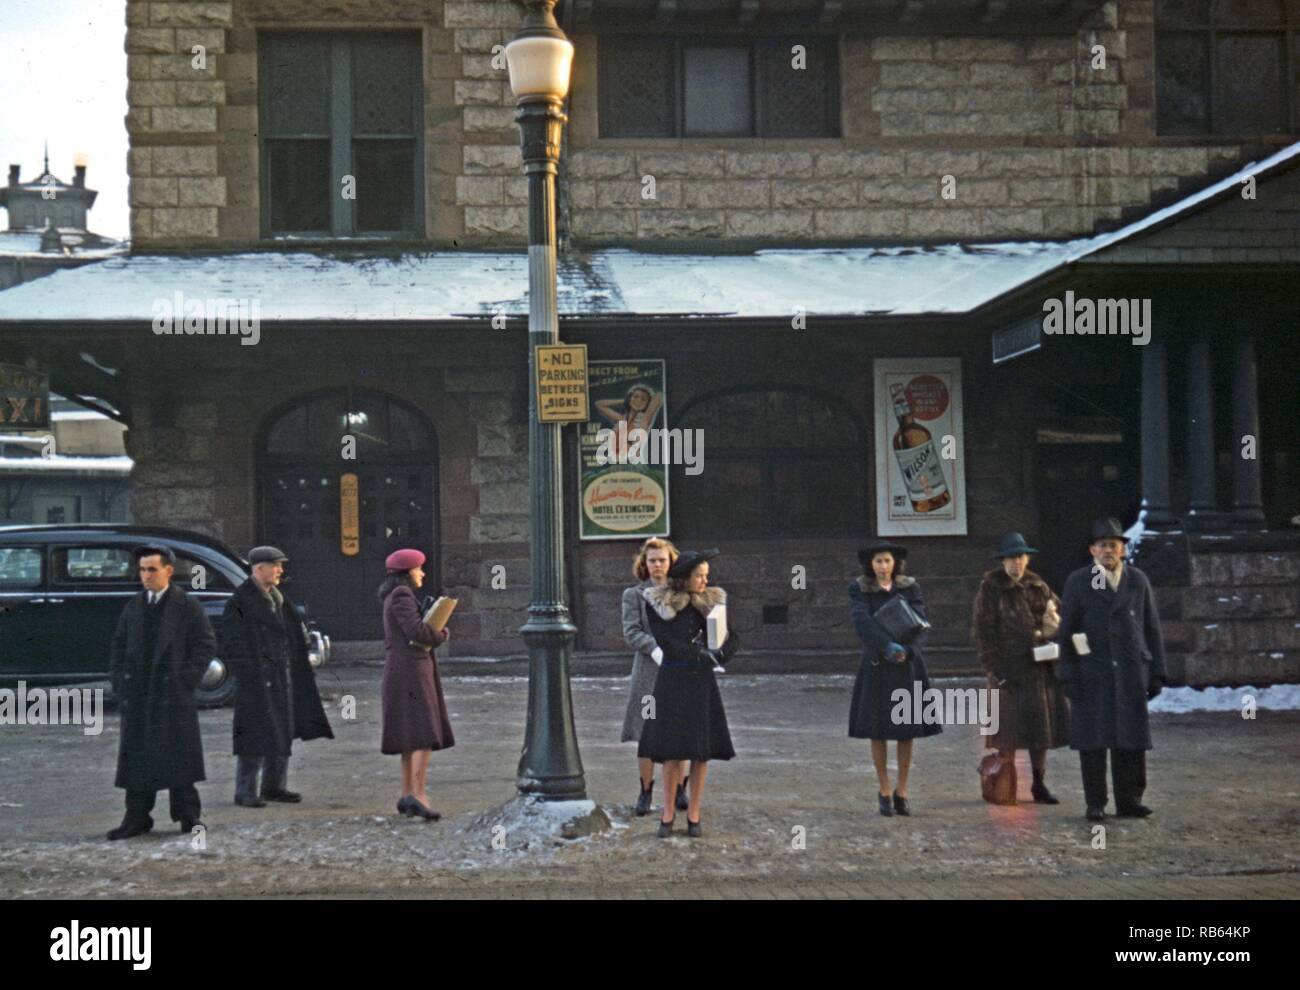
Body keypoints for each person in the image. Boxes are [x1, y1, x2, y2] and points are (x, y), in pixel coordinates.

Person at [1056, 517, 1167, 822]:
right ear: (1092, 550)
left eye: (1114, 545)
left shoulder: (1137, 580)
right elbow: (1067, 632)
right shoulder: (1079, 582)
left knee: (1131, 740)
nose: (1109, 550)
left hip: (1131, 670)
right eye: (1103, 545)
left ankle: (1130, 800)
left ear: (1123, 549)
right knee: (1094, 741)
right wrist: (1068, 674)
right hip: (1093, 671)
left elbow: (1150, 626)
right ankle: (1096, 802)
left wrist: (1157, 671)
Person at [106, 545, 216, 840]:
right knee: (138, 761)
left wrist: (185, 680)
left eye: (152, 569)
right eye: (142, 569)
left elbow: (205, 645)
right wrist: (120, 682)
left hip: (172, 696)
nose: (146, 576)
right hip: (140, 696)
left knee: (180, 761)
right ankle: (137, 818)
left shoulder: (186, 605)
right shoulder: (135, 606)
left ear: (168, 570)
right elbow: (118, 645)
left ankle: (189, 817)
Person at [220, 545, 334, 808]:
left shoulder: (278, 598)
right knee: (254, 735)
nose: (281, 570)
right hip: (257, 679)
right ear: (259, 568)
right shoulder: (240, 601)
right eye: (276, 565)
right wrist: (250, 673)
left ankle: (274, 786)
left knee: (281, 730)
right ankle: (245, 790)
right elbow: (233, 644)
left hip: (282, 675)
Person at [637, 548, 738, 838]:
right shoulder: (659, 603)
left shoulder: (711, 602)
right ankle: (667, 813)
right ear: (684, 577)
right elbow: (667, 642)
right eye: (699, 576)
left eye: (707, 576)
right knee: (672, 753)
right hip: (673, 681)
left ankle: (694, 813)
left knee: (700, 751)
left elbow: (733, 636)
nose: (705, 581)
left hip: (702, 683)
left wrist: (719, 655)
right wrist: (701, 655)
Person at [971, 532, 1070, 804]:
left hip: (1038, 666)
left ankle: (1039, 783)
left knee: (1041, 730)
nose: (1017, 562)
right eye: (1012, 558)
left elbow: (1059, 613)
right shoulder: (991, 587)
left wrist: (1051, 628)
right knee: (1008, 731)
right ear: (1002, 561)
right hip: (1007, 669)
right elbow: (982, 629)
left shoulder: (1037, 584)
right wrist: (994, 666)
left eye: (1021, 556)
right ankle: (1005, 781)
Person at [848, 540, 941, 817]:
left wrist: (910, 651)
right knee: (877, 729)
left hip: (907, 666)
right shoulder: (860, 588)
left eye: (887, 561)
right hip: (878, 664)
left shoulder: (910, 587)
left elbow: (921, 622)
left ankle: (903, 789)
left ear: (895, 563)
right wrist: (887, 646)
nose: (883, 567)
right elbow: (861, 622)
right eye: (878, 562)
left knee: (907, 729)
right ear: (870, 565)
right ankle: (884, 789)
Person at [379, 548, 453, 821]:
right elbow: (416, 631)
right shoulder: (401, 596)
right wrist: (441, 632)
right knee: (423, 734)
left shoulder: (394, 596)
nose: (422, 573)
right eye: (419, 569)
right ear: (407, 573)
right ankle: (418, 795)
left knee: (411, 737)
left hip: (406, 671)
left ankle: (407, 794)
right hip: (411, 672)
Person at [621, 537, 691, 817]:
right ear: (644, 564)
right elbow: (631, 631)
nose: (657, 566)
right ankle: (646, 791)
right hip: (648, 673)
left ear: (670, 562)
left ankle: (678, 789)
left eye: (662, 560)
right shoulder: (634, 595)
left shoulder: (683, 592)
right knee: (646, 732)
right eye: (652, 561)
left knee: (680, 730)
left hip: (679, 671)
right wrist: (654, 649)